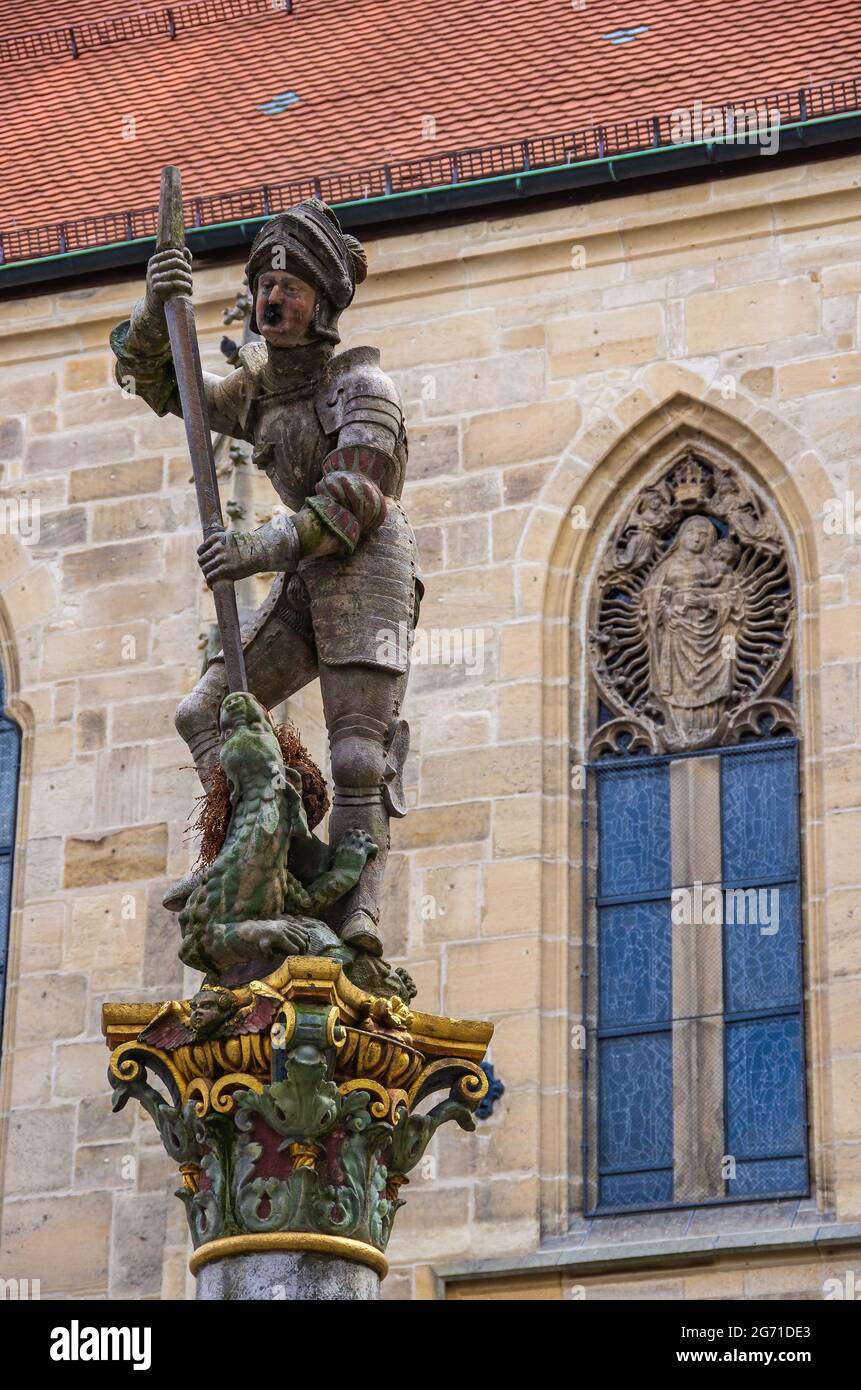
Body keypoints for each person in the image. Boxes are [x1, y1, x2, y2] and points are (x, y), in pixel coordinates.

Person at [111, 199, 420, 957]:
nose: (271, 300)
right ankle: (254, 859)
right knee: (206, 712)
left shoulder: (363, 389)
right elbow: (163, 384)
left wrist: (250, 550)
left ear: (322, 305)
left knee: (356, 755)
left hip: (367, 568)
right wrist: (154, 304)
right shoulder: (256, 389)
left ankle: (357, 910)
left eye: (291, 288)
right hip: (303, 574)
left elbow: (352, 501)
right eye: (264, 285)